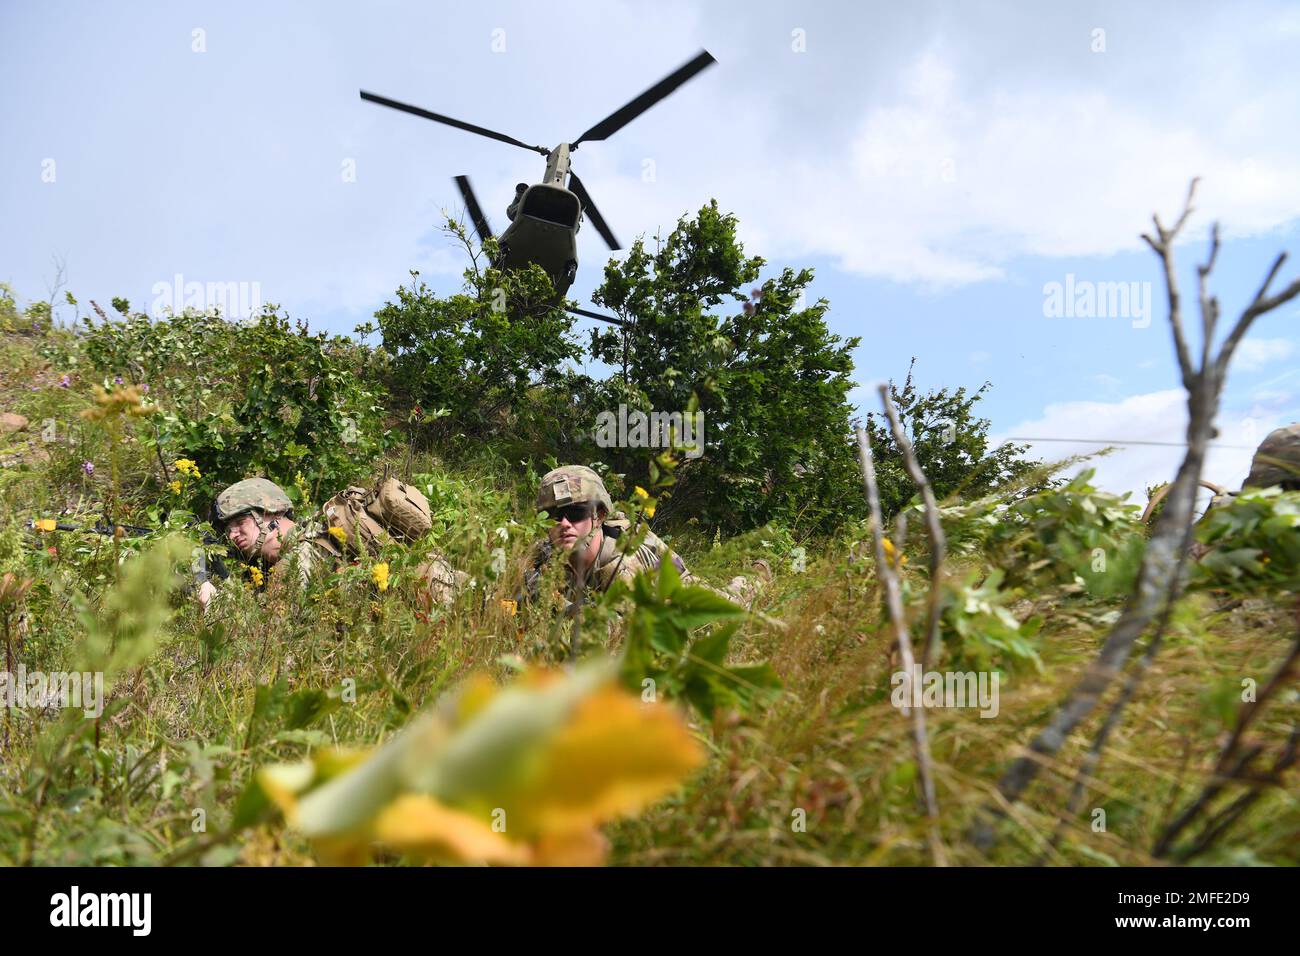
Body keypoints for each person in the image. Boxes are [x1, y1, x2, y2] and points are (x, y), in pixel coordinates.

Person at [200, 477, 458, 610]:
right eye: (228, 531)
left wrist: (213, 601)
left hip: (445, 600)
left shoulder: (300, 556)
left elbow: (268, 631)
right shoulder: (318, 534)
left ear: (268, 514)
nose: (233, 536)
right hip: (446, 586)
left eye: (239, 524)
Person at [520, 465, 702, 606]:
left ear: (599, 516)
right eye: (553, 516)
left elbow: (614, 633)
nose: (565, 524)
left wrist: (554, 604)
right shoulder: (544, 553)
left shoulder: (620, 561)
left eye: (576, 513)